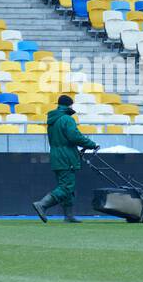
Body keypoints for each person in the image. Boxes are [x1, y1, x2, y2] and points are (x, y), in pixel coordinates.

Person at [32, 95, 98, 223]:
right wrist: (91, 144)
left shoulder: (52, 120)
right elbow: (75, 136)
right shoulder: (67, 119)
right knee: (67, 187)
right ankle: (42, 204)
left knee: (66, 186)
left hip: (56, 155)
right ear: (69, 105)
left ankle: (68, 216)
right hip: (66, 156)